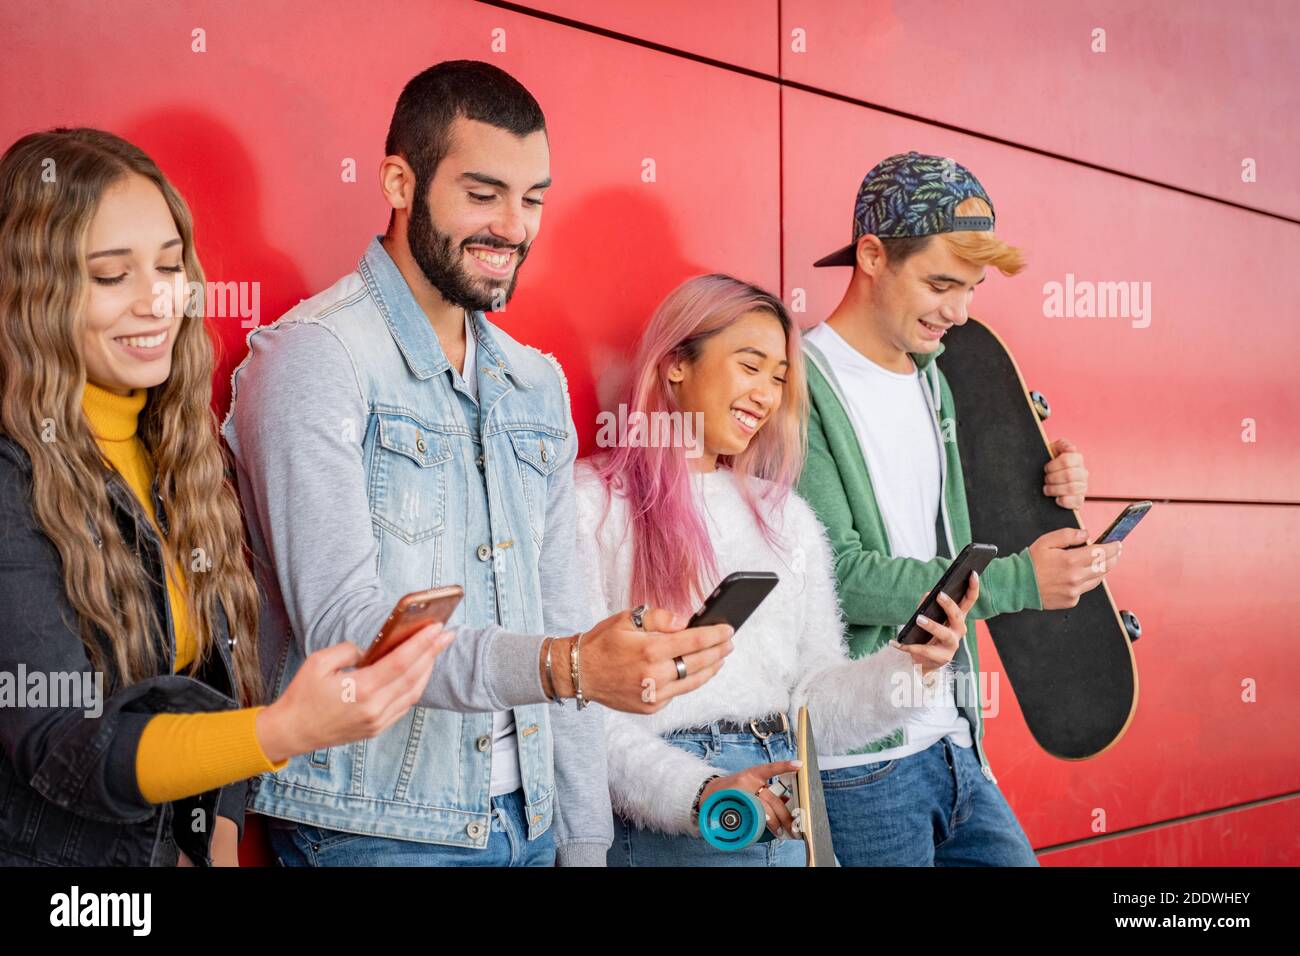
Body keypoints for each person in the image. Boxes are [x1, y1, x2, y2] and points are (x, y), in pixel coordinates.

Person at [223, 61, 733, 867]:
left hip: (531, 821)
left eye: (533, 199)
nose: (513, 226)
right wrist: (570, 666)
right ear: (398, 180)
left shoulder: (534, 382)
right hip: (379, 827)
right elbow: (350, 639)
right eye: (483, 192)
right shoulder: (314, 359)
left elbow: (562, 618)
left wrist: (584, 837)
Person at [0, 128, 451, 867]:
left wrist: (215, 833)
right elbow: (59, 747)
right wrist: (282, 732)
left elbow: (213, 679)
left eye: (171, 267)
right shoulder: (13, 474)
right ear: (35, 291)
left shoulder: (178, 448)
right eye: (111, 276)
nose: (156, 302)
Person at [574, 273, 979, 866]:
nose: (766, 394)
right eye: (750, 365)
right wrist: (701, 792)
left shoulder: (786, 516)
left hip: (786, 799)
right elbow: (577, 711)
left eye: (780, 377)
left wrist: (909, 668)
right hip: (679, 818)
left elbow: (815, 705)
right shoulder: (591, 504)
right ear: (676, 362)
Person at [798, 151, 1121, 866]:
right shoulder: (801, 385)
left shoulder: (932, 380)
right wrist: (1018, 582)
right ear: (872, 255)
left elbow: (957, 534)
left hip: (955, 738)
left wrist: (1047, 486)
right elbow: (839, 576)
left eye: (971, 289)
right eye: (941, 284)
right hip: (863, 766)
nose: (959, 310)